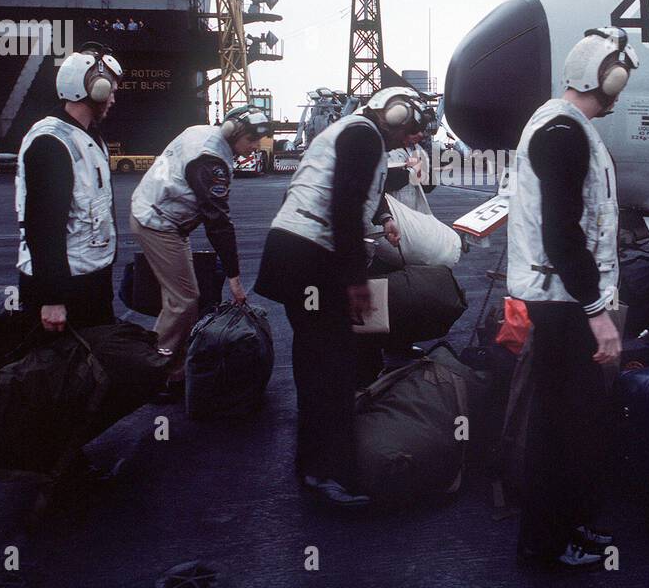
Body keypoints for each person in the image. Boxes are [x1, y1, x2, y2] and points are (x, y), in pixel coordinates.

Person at [254, 86, 429, 507]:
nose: (413, 139)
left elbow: (356, 195)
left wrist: (383, 215)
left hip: (293, 251)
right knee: (331, 367)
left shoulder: (350, 132)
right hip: (312, 256)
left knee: (317, 361)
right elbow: (345, 210)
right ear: (395, 113)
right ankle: (327, 474)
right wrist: (355, 283)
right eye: (412, 130)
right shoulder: (364, 137)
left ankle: (314, 465)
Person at [504, 26, 639, 570]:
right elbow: (563, 235)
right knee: (561, 429)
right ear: (604, 80)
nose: (617, 99)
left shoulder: (558, 123)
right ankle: (545, 544)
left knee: (570, 424)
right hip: (563, 305)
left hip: (560, 300)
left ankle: (564, 528)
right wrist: (597, 314)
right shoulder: (564, 132)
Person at [130, 105, 272, 389]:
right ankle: (152, 374)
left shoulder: (202, 134)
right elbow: (217, 221)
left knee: (185, 298)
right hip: (158, 223)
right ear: (233, 132)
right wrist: (234, 278)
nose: (256, 147)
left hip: (159, 215)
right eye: (251, 140)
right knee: (184, 300)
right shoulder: (211, 161)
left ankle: (177, 367)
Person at [15, 43, 123, 333]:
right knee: (57, 372)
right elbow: (43, 225)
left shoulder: (90, 138)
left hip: (90, 277)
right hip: (64, 286)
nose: (113, 97)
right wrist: (51, 299)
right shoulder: (51, 143)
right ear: (92, 89)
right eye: (110, 89)